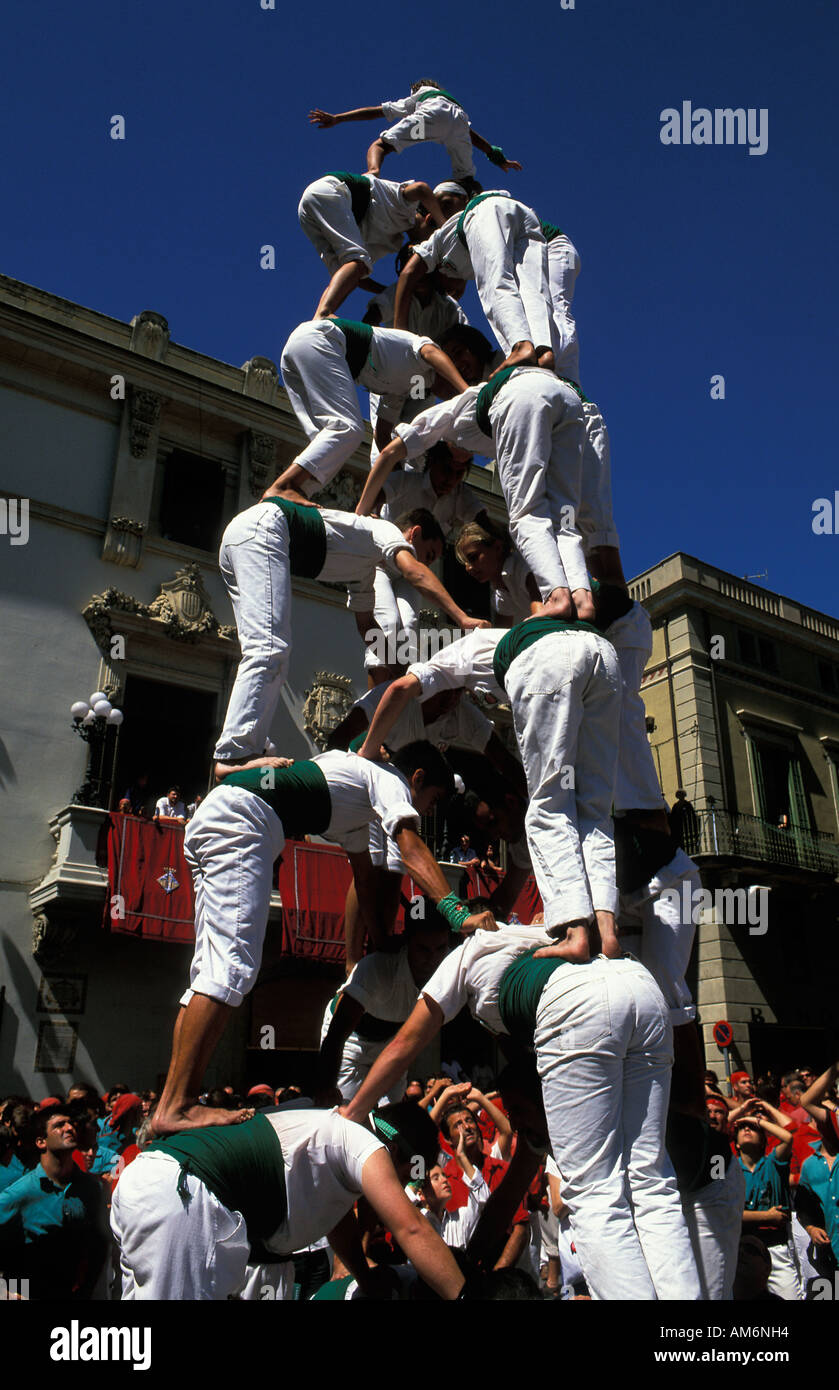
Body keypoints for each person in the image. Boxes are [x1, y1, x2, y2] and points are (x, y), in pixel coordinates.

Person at [152, 742, 497, 1135]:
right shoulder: (390, 780)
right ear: (417, 779)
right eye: (432, 800)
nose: (427, 812)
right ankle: (178, 1104)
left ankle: (174, 1102)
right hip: (243, 823)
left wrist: (379, 941)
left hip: (221, 818)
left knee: (210, 971)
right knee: (230, 970)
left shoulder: (353, 788)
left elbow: (364, 876)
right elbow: (408, 841)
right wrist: (457, 913)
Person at [341, 925, 701, 1300]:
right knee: (652, 1184)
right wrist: (467, 1264)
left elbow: (404, 1043)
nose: (513, 1122)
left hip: (579, 1006)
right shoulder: (525, 935)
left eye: (518, 1113)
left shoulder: (462, 958)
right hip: (640, 984)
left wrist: (352, 1113)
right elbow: (508, 1197)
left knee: (595, 1195)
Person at [355, 600, 625, 962]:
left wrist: (367, 753)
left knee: (548, 806)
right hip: (602, 654)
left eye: (458, 694)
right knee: (592, 808)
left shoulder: (454, 655)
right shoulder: (487, 657)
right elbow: (500, 756)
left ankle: (576, 933)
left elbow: (399, 689)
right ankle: (607, 932)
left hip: (550, 658)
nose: (455, 700)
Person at [213, 499, 488, 773]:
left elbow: (367, 627)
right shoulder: (383, 529)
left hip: (247, 538)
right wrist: (461, 617)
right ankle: (235, 753)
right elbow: (414, 572)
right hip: (261, 534)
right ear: (413, 534)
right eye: (427, 555)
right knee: (270, 649)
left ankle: (254, 747)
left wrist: (398, 677)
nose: (423, 563)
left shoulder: (362, 572)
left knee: (274, 653)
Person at [111, 1101, 468, 1301]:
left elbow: (338, 1222)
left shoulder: (338, 1144)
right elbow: (412, 1228)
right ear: (397, 1150)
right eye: (408, 1173)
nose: (402, 1184)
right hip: (181, 1195)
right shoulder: (363, 1142)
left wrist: (365, 1277)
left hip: (151, 1187)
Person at [355, 366, 592, 621]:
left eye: (459, 474)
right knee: (387, 621)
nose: (451, 480)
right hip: (383, 560)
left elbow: (484, 526)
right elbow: (382, 483)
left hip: (414, 570)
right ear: (432, 462)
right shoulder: (409, 481)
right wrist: (367, 512)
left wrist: (505, 563)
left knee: (410, 623)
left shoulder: (460, 497)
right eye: (447, 470)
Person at [271, 319, 474, 498]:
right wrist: (468, 392)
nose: (453, 394)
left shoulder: (407, 386)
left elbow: (383, 434)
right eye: (461, 374)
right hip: (322, 341)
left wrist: (392, 476)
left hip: (303, 347)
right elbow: (431, 353)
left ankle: (296, 491)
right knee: (347, 429)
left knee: (324, 441)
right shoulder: (424, 350)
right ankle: (284, 486)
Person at [395, 187, 559, 372]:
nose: (453, 293)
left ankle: (521, 346)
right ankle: (543, 351)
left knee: (495, 281)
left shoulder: (434, 245)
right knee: (531, 287)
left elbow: (408, 274)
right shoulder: (468, 264)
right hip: (523, 215)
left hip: (485, 210)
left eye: (448, 290)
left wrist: (401, 334)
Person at [317, 916, 452, 1104]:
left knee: (390, 1118)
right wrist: (326, 1088)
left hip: (392, 1042)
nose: (432, 959)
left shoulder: (449, 966)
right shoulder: (375, 968)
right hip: (352, 1043)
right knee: (342, 1116)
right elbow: (336, 1036)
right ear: (408, 943)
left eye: (440, 949)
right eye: (423, 949)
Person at [309, 81, 521, 188]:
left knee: (380, 145)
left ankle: (372, 174)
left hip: (431, 117)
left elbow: (376, 112)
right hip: (459, 122)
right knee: (465, 176)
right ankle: (467, 198)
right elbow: (471, 135)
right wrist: (498, 158)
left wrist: (338, 118)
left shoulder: (419, 95)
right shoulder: (448, 99)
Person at [297, 172, 448, 318]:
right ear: (429, 219)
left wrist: (389, 291)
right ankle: (324, 313)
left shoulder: (390, 240)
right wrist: (444, 227)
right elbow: (421, 189)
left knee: (347, 269)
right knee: (356, 262)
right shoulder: (406, 207)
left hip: (308, 209)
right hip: (332, 191)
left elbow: (356, 277)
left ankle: (319, 317)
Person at [0, 1105, 110, 1300]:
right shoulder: (18, 1194)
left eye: (71, 1124)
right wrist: (7, 1294)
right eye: (59, 1125)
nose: (69, 1128)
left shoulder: (92, 1189)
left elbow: (99, 1246)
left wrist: (87, 1290)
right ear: (41, 1142)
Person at [733, 1099, 801, 1300]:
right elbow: (725, 1212)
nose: (747, 1129)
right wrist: (766, 1216)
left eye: (753, 1129)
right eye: (742, 1128)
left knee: (789, 1296)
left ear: (763, 1140)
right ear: (735, 1142)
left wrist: (758, 1120)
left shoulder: (773, 1162)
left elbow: (788, 1138)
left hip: (775, 1245)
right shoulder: (728, 1168)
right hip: (744, 1246)